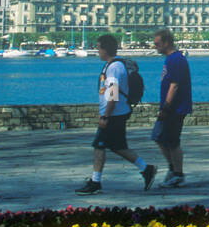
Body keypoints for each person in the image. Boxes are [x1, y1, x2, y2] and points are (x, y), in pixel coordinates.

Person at [76, 34, 156, 194]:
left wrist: (105, 115)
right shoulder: (112, 65)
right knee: (118, 146)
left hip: (114, 114)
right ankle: (147, 169)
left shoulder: (114, 68)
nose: (97, 51)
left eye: (98, 48)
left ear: (105, 49)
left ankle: (95, 182)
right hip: (117, 112)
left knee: (99, 146)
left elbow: (112, 94)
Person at [152, 28, 192, 188]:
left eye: (158, 44)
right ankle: (172, 168)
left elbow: (174, 86)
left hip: (175, 109)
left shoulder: (176, 60)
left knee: (172, 141)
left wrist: (166, 107)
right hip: (169, 108)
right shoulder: (170, 59)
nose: (155, 47)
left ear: (166, 42)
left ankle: (178, 174)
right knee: (159, 137)